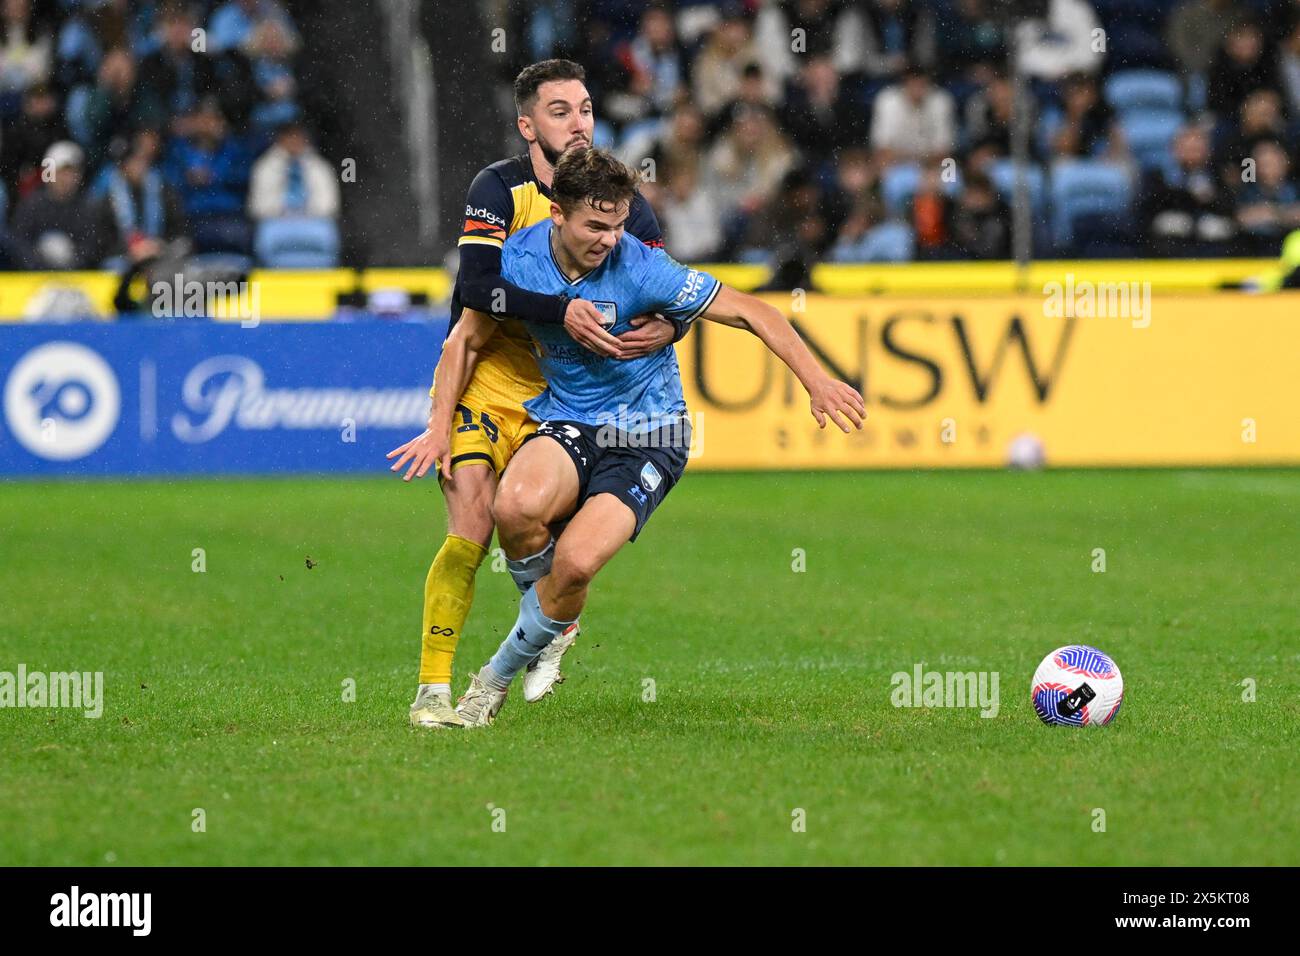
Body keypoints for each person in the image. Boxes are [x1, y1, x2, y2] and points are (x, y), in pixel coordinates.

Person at [437, 147, 864, 727]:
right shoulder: (517, 259)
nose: (610, 239)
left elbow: (754, 312)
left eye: (617, 225)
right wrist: (439, 427)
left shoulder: (642, 267)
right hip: (569, 418)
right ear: (556, 215)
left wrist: (816, 381)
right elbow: (466, 337)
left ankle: (492, 680)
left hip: (648, 433)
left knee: (577, 567)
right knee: (512, 508)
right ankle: (552, 622)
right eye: (595, 225)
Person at [386, 60, 682, 730]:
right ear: (527, 125)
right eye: (559, 111)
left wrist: (673, 323)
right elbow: (477, 295)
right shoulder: (497, 188)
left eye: (585, 108)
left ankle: (546, 628)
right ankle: (434, 691)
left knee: (532, 523)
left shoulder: (621, 200)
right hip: (492, 384)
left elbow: (663, 294)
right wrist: (439, 423)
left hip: (571, 397)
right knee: (470, 528)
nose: (578, 123)